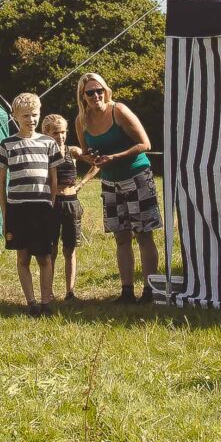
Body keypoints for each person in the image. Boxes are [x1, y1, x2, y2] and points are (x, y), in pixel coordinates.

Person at [77, 74, 160, 303]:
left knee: (143, 234)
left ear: (106, 90)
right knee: (121, 237)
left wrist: (115, 156)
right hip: (110, 182)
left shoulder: (119, 111)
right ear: (83, 97)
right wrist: (90, 158)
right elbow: (87, 154)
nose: (96, 96)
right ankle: (126, 291)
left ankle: (150, 290)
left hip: (137, 176)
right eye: (90, 92)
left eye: (99, 90)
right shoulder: (81, 120)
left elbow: (145, 143)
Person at [0, 92, 62, 313]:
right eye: (25, 116)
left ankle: (46, 301)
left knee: (44, 255)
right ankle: (31, 302)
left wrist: (51, 206)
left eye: (34, 115)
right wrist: (5, 214)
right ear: (15, 116)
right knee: (22, 256)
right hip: (17, 209)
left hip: (41, 208)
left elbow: (53, 179)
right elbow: (2, 182)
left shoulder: (48, 143)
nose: (31, 120)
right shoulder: (7, 145)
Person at [41, 113, 84, 303]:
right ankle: (48, 291)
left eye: (63, 132)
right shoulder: (43, 153)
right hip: (52, 204)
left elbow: (95, 161)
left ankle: (70, 291)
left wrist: (84, 182)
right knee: (51, 249)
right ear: (47, 133)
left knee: (70, 249)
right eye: (56, 132)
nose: (60, 136)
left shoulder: (72, 151)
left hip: (71, 202)